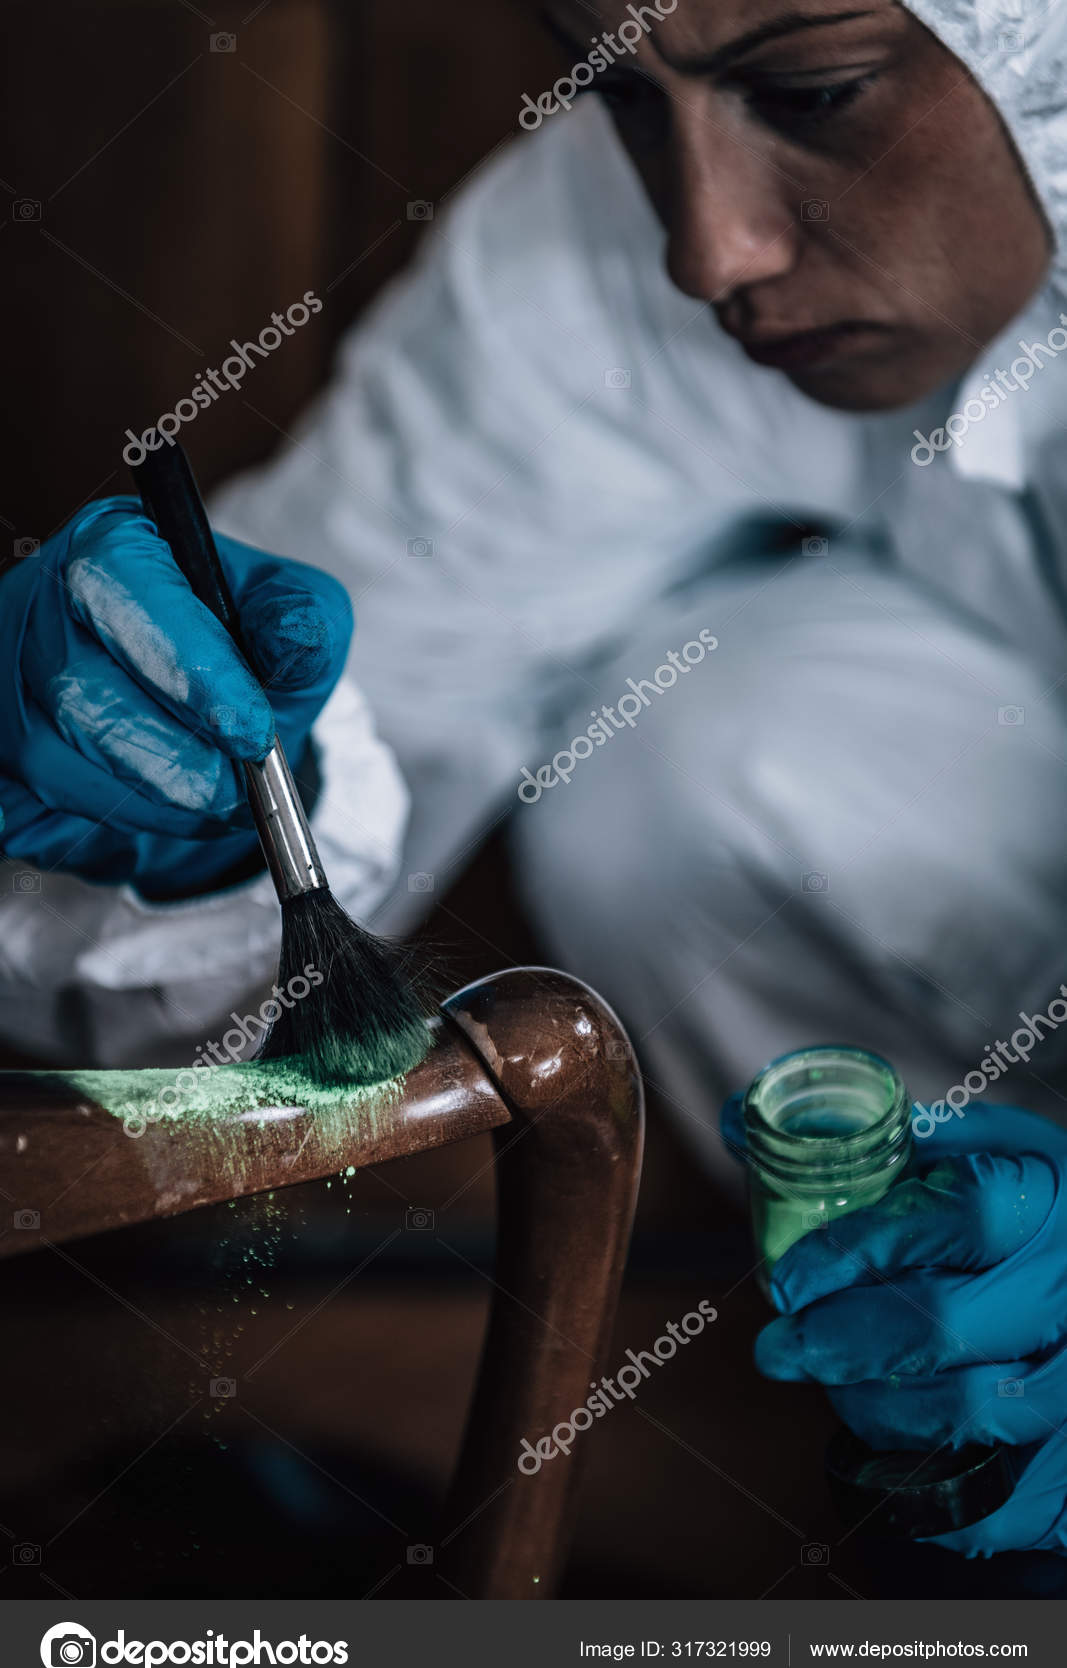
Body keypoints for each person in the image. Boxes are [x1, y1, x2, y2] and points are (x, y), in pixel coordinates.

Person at [3, 0, 1067, 1557]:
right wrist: (176, 791)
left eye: (817, 90)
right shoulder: (582, 254)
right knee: (686, 763)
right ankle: (964, 1363)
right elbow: (379, 675)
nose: (707, 253)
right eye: (627, 98)